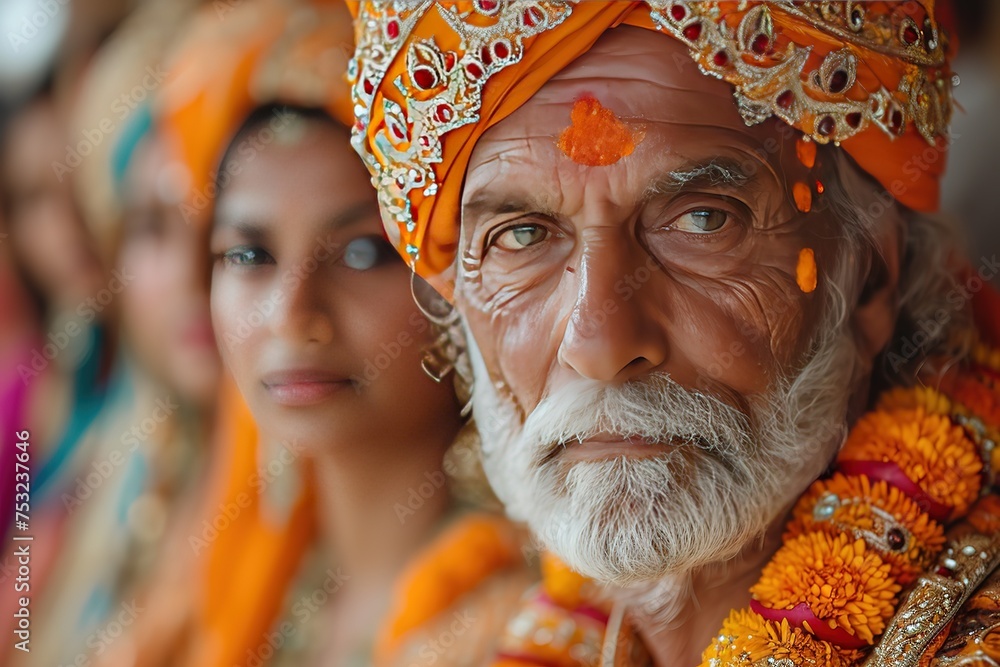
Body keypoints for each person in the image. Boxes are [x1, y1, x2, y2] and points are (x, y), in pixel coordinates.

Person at [349, 1, 1000, 665]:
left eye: (702, 221)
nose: (599, 344)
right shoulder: (464, 639)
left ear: (868, 275)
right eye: (522, 236)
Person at [143, 1, 534, 665]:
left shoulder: (520, 624)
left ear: (454, 278)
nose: (292, 313)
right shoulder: (242, 579)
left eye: (362, 253)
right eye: (249, 255)